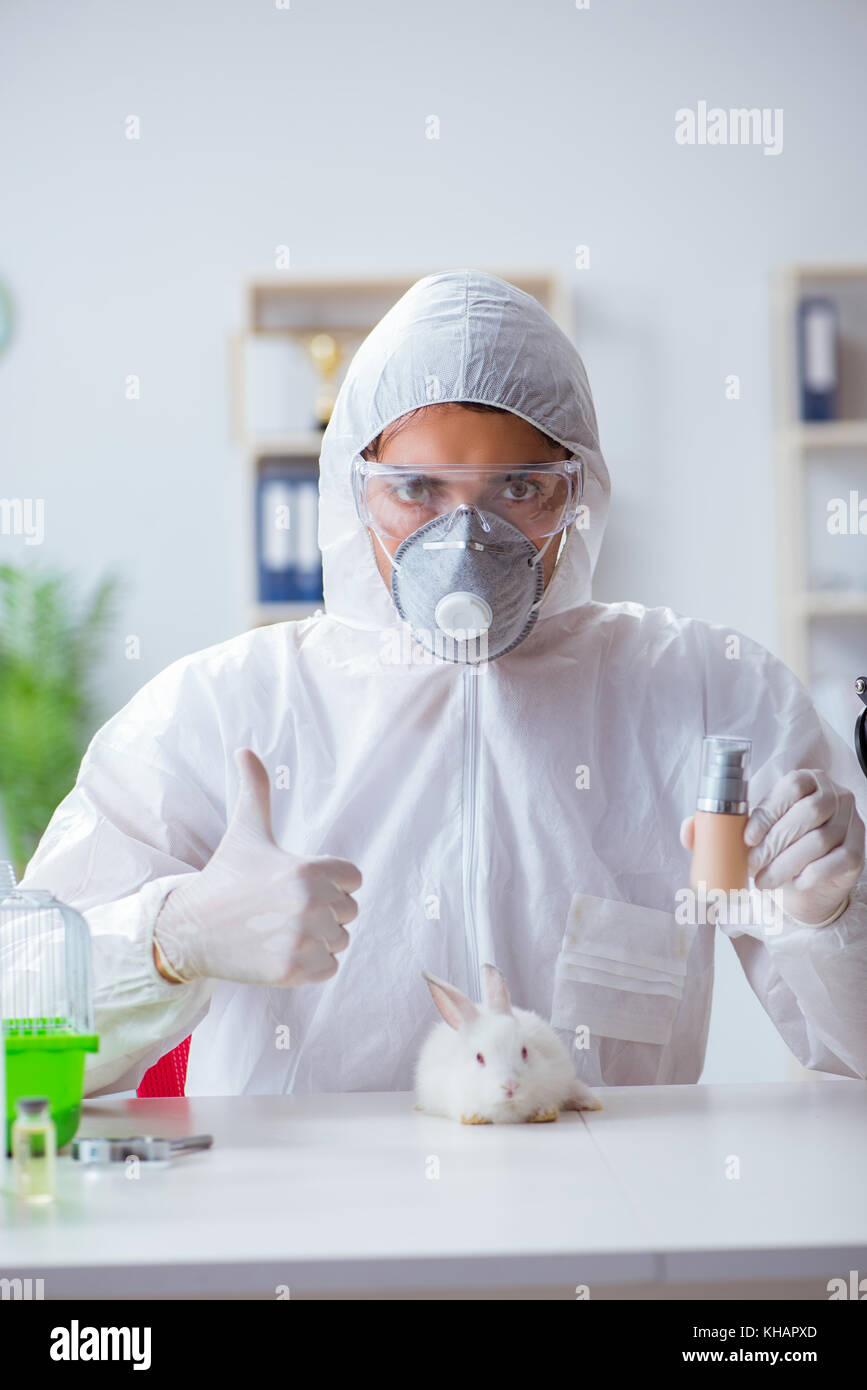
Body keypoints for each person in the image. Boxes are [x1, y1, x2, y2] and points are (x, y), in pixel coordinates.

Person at [15, 269, 867, 1096]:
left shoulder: (705, 694)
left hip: (605, 1220)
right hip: (296, 1223)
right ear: (356, 494)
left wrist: (830, 920)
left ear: (578, 495)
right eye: (416, 489)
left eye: (520, 488)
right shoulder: (223, 710)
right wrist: (172, 937)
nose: (465, 541)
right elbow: (18, 1034)